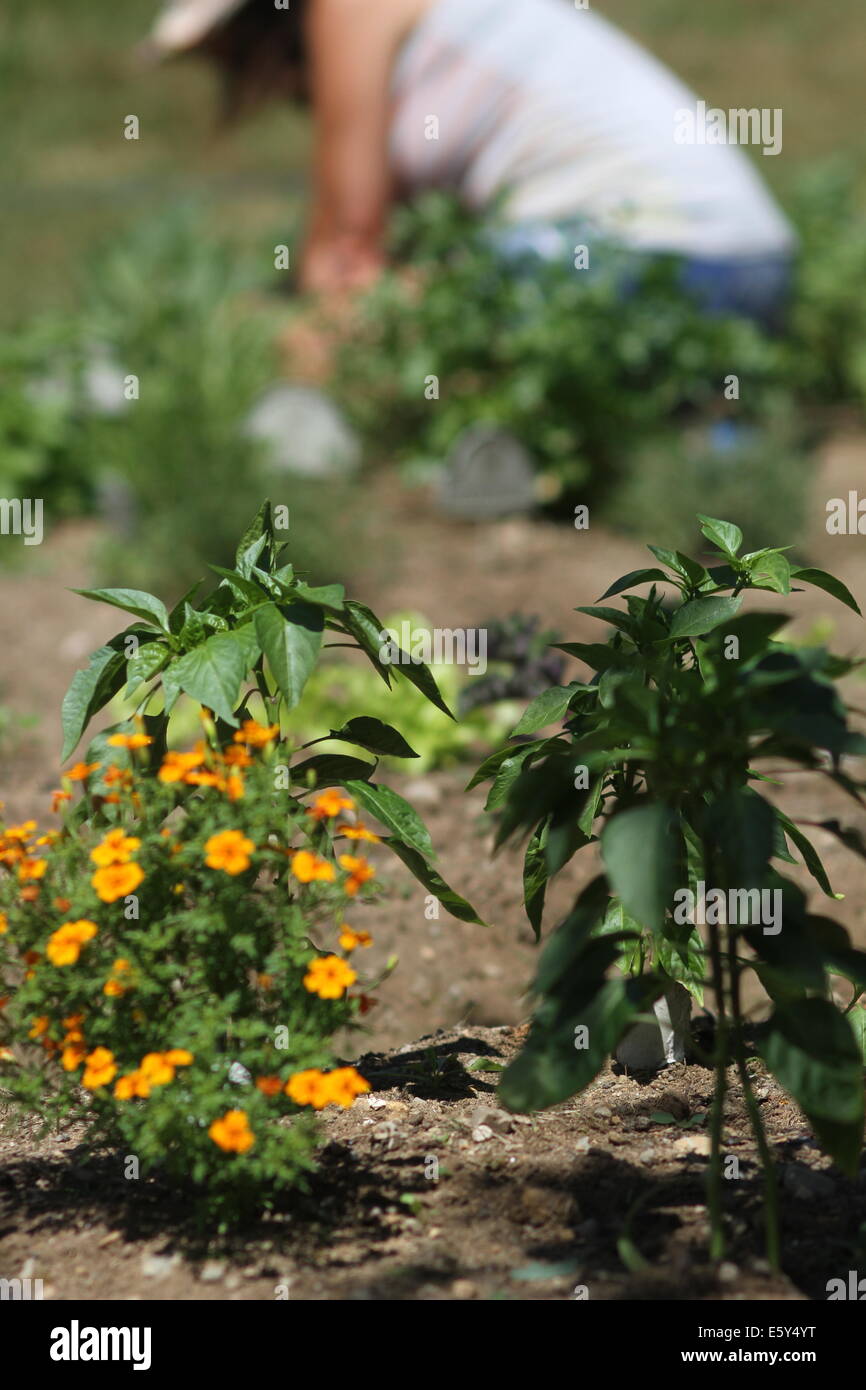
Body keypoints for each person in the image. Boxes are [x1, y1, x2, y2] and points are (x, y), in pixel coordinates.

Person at [147, 0, 795, 327]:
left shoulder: (346, 9)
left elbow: (342, 255)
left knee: (346, 326)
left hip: (642, 260)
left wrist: (250, 332)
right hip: (754, 266)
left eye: (232, 55)